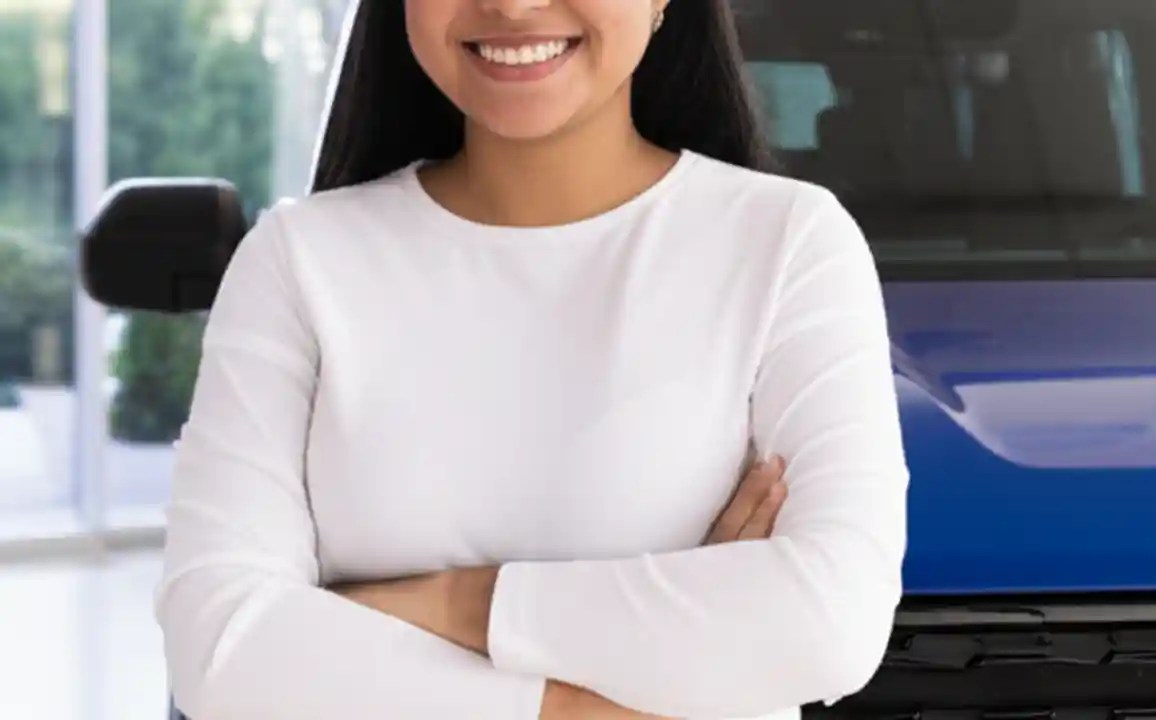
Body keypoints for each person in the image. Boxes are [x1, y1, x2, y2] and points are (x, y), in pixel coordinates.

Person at [153, 0, 910, 718]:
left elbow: (827, 622)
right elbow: (221, 651)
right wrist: (636, 684)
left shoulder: (787, 244)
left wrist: (444, 604)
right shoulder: (296, 262)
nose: (513, 6)